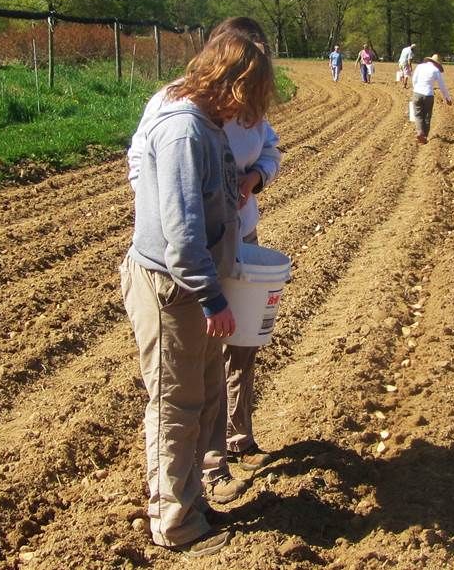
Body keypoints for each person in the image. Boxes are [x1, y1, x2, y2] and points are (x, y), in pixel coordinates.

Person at [122, 29, 275, 558]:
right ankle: (176, 522)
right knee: (175, 404)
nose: (254, 107)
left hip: (194, 282)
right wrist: (212, 298)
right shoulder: (185, 132)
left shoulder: (208, 123)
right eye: (251, 93)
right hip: (174, 288)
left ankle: (191, 499)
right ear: (231, 83)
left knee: (203, 394)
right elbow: (181, 233)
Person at [410, 53, 453, 144]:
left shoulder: (420, 66)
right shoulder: (436, 70)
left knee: (418, 115)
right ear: (437, 63)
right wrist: (447, 98)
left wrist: (416, 89)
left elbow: (414, 79)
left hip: (417, 93)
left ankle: (419, 132)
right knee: (427, 116)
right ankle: (424, 136)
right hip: (429, 95)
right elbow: (442, 86)